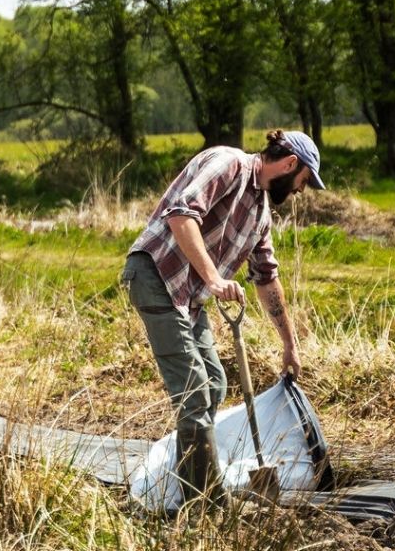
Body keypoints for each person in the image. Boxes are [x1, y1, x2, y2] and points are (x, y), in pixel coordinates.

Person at [121, 129, 324, 506]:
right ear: (291, 164)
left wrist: (290, 344)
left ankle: (191, 477)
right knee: (194, 393)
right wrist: (214, 278)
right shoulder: (228, 163)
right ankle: (204, 505)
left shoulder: (261, 211)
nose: (300, 191)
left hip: (189, 297)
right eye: (303, 181)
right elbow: (181, 216)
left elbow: (267, 277)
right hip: (156, 276)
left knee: (213, 383)